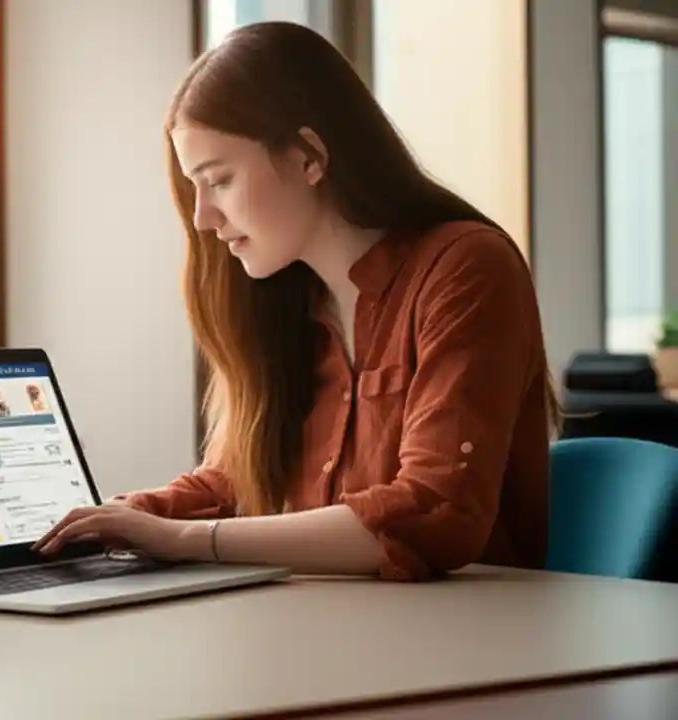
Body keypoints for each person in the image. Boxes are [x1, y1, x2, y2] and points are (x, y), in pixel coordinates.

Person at [32, 21, 557, 581]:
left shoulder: (465, 268)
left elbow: (431, 512)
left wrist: (183, 538)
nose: (203, 219)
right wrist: (129, 515)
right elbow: (233, 484)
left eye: (220, 180)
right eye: (195, 189)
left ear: (309, 157)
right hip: (321, 631)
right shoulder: (284, 306)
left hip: (474, 640)